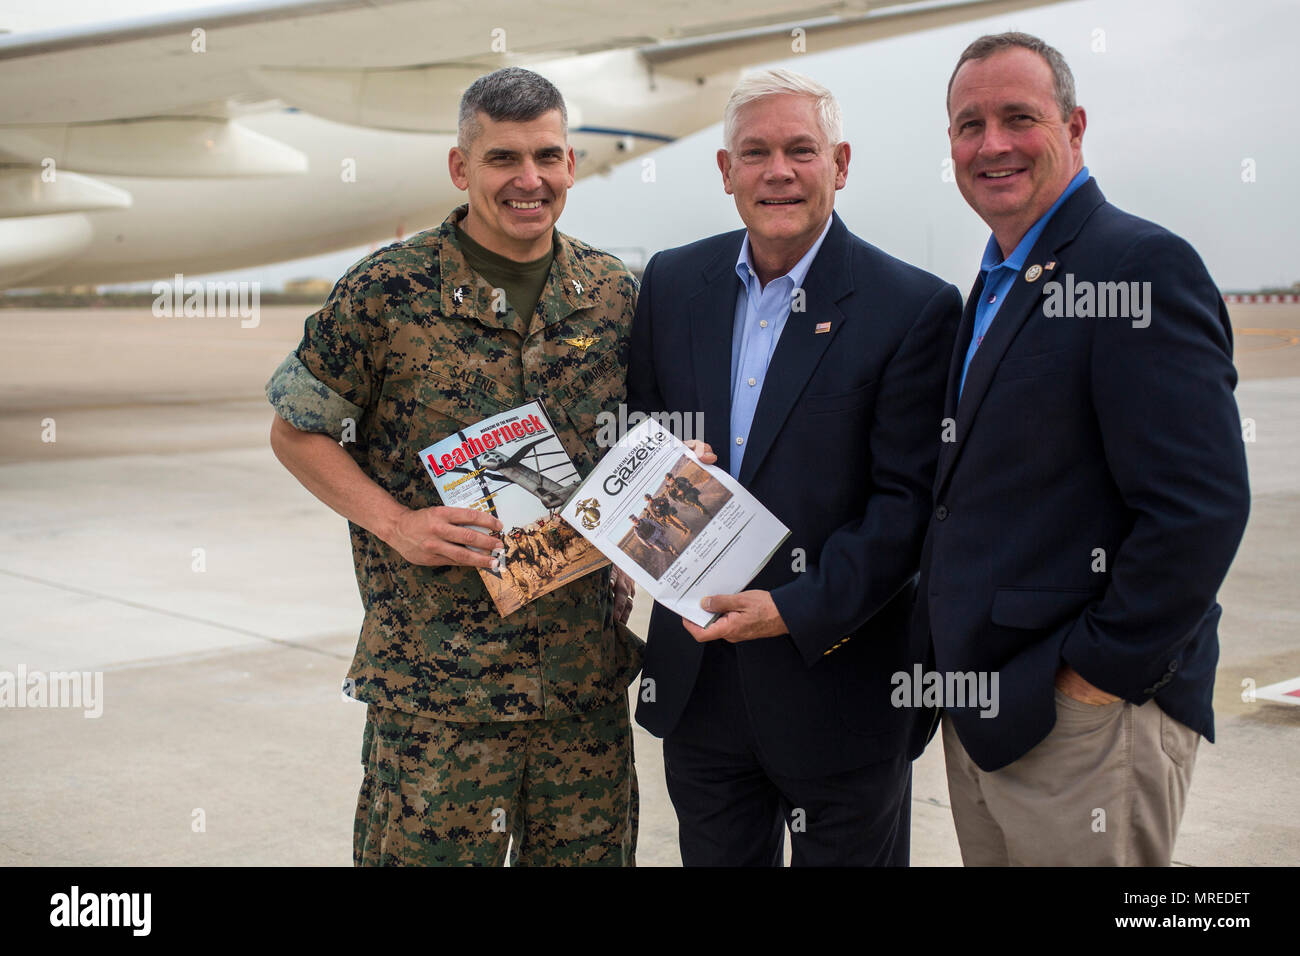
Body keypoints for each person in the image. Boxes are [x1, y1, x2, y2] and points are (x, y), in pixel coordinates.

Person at [265, 67, 641, 867]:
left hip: (581, 696)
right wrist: (394, 523)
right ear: (460, 167)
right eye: (503, 158)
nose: (528, 180)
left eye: (546, 156)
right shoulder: (388, 291)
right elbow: (298, 431)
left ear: (571, 162)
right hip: (438, 697)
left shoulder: (612, 294)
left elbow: (634, 443)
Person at [917, 32, 1251, 866]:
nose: (991, 144)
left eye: (1018, 118)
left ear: (1075, 125)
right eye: (969, 125)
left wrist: (1094, 681)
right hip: (994, 716)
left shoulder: (1137, 265)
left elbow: (1199, 508)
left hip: (1084, 723)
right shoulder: (999, 278)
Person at [627, 68, 962, 866]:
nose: (778, 170)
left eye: (801, 150)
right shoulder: (672, 283)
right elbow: (635, 432)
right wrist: (661, 467)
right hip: (700, 685)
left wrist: (792, 609)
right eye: (756, 152)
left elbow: (906, 506)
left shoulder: (912, 305)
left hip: (840, 689)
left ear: (840, 164)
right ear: (726, 171)